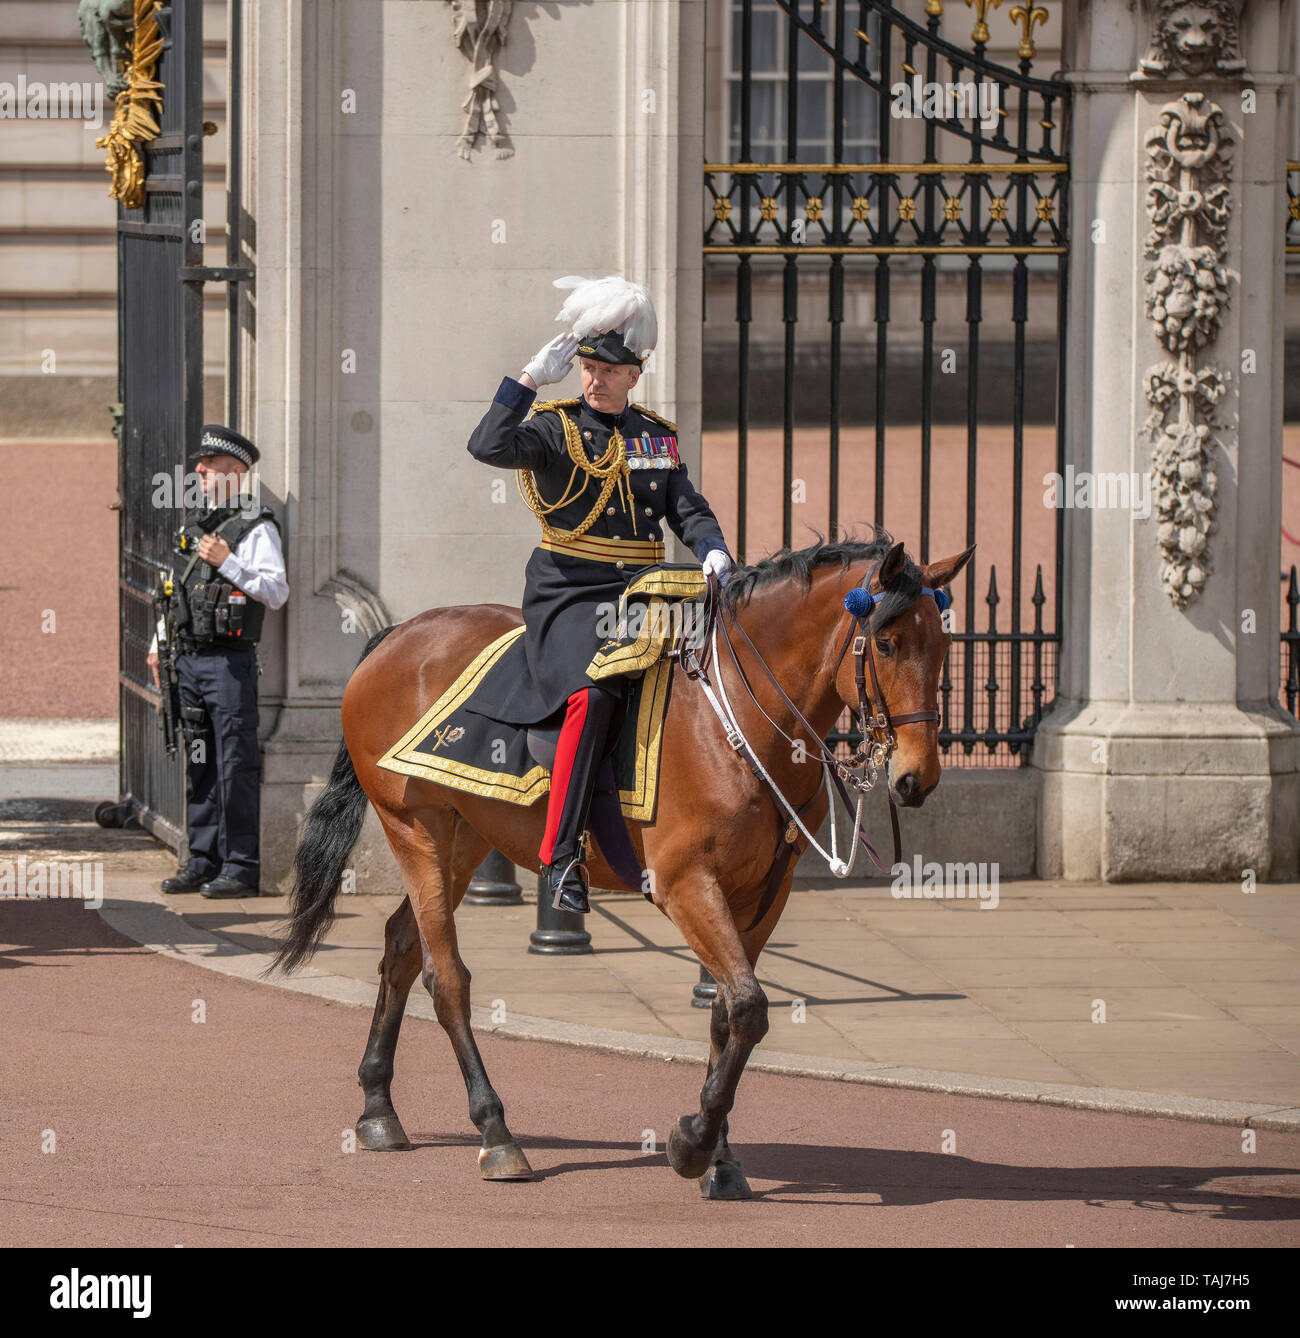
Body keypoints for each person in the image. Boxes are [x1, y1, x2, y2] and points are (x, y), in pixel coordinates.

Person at [467, 276, 734, 913]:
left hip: (644, 593)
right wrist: (529, 380)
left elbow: (686, 510)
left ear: (634, 375)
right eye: (587, 367)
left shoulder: (656, 439)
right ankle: (560, 860)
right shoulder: (554, 431)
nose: (594, 380)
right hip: (569, 597)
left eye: (608, 371)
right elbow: (487, 446)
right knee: (593, 692)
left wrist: (714, 550)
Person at [149, 426, 289, 898]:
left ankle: (241, 867)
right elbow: (175, 592)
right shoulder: (194, 524)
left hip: (228, 664)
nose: (199, 472)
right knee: (199, 762)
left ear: (235, 473)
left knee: (235, 764)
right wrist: (158, 641)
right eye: (200, 465)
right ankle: (202, 860)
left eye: (208, 466)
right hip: (187, 660)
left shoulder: (255, 527)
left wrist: (229, 561)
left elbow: (276, 591)